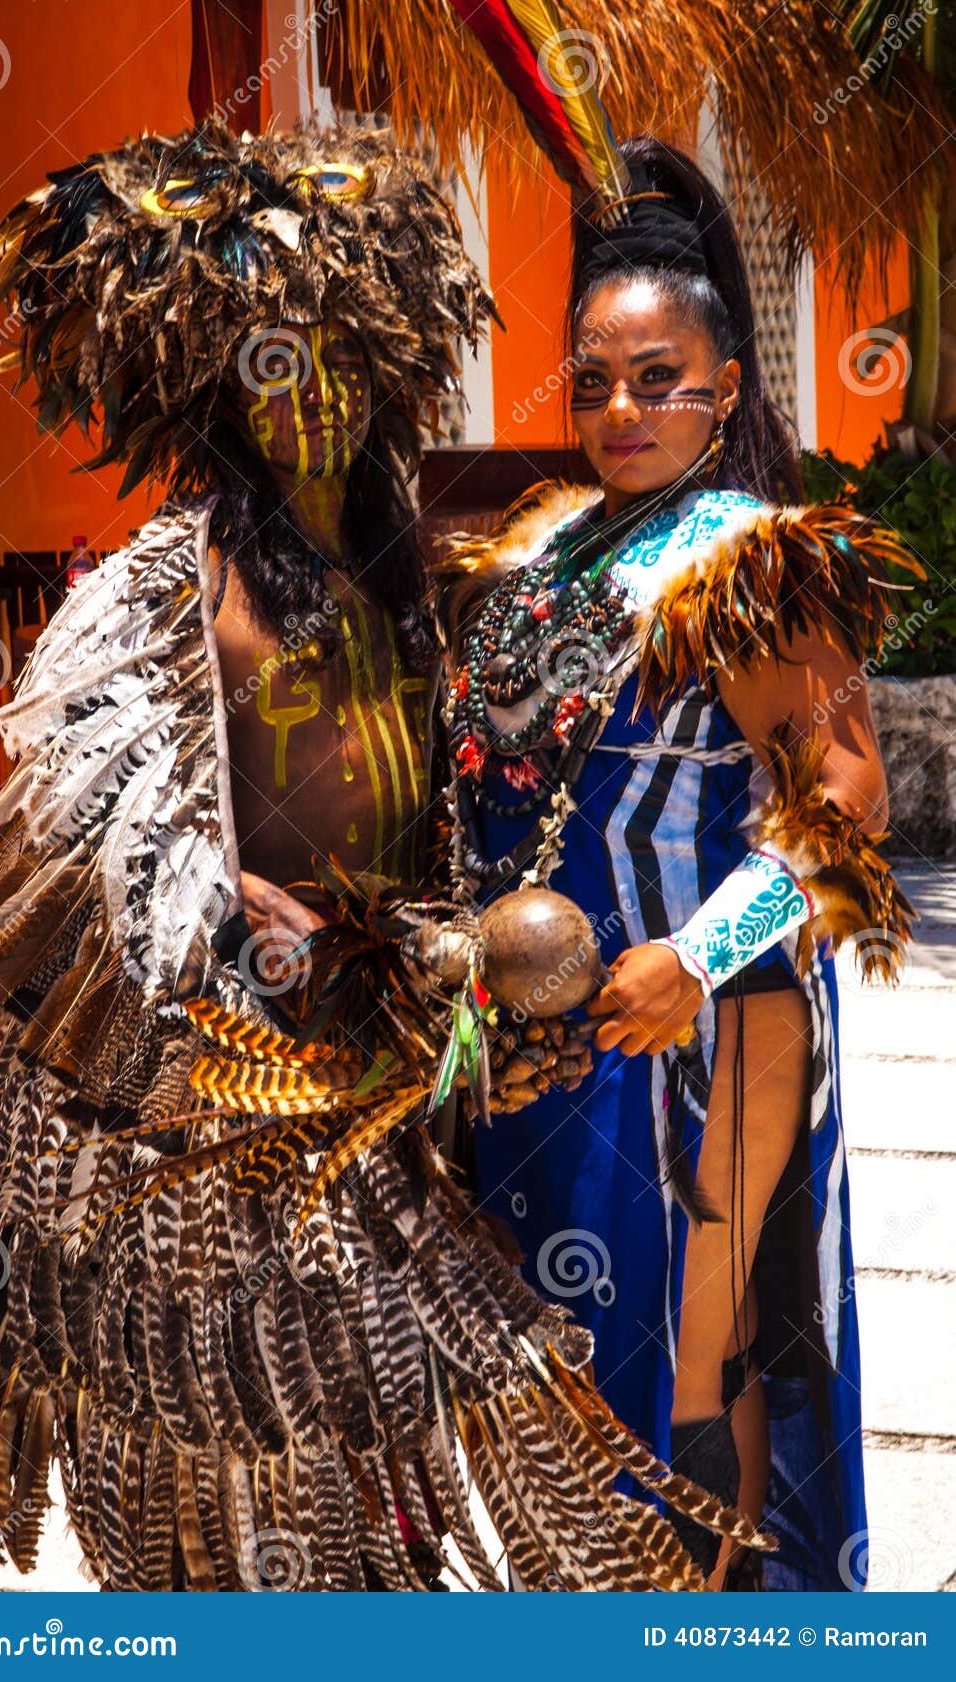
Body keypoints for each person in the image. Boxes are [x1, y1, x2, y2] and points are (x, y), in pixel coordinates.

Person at [0, 121, 753, 1592]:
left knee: (386, 1466)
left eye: (337, 351)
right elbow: (60, 845)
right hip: (230, 1118)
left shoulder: (417, 583)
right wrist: (253, 948)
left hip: (391, 1096)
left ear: (388, 360)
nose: (307, 390)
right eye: (268, 357)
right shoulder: (163, 584)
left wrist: (464, 973)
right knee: (249, 1484)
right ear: (207, 381)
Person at [439, 134, 917, 1592]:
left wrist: (694, 957)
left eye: (657, 378)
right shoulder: (544, 549)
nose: (621, 407)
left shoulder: (754, 558)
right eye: (592, 379)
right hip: (536, 1041)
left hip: (705, 1033)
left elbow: (848, 801)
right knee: (559, 1378)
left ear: (722, 385)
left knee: (695, 1364)